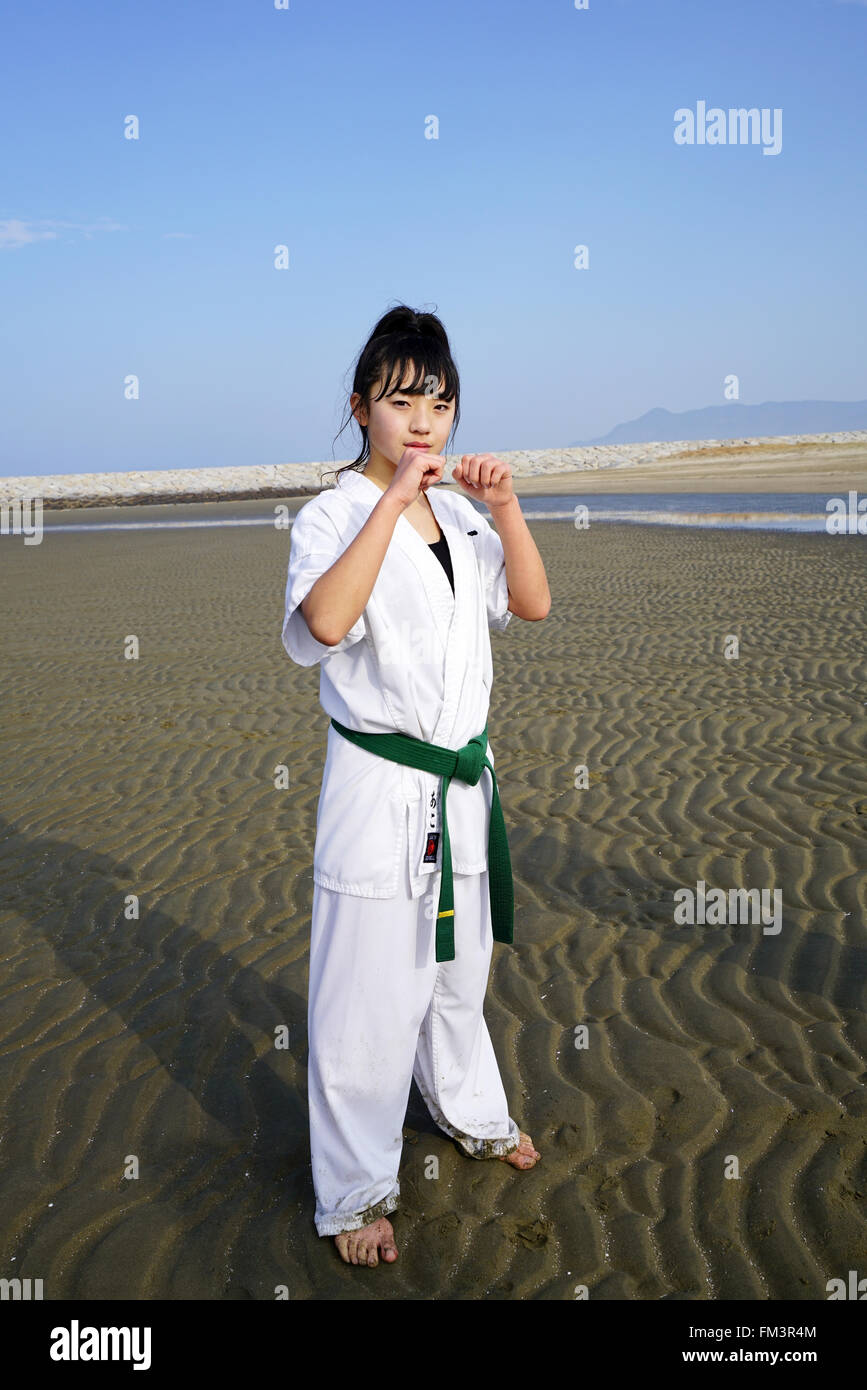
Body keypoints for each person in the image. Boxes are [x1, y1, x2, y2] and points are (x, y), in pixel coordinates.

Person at [281, 305, 551, 1267]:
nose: (424, 419)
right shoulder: (333, 514)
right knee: (364, 995)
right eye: (402, 400)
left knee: (455, 972)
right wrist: (392, 501)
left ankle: (471, 1112)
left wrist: (509, 506)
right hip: (379, 785)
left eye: (439, 400)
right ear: (361, 409)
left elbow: (530, 602)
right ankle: (352, 1191)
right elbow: (320, 627)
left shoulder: (467, 511)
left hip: (463, 784)